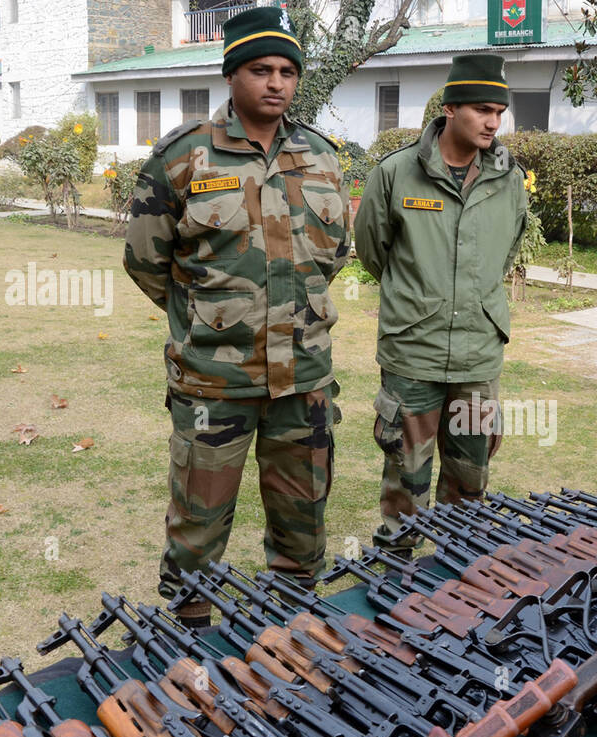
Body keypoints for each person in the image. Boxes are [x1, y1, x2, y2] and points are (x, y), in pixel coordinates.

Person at [123, 6, 349, 625]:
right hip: (213, 385)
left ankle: (292, 640)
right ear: (231, 75)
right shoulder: (183, 158)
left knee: (303, 532)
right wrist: (210, 321)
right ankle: (189, 646)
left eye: (286, 70)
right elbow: (146, 260)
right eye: (259, 69)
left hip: (303, 380)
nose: (275, 82)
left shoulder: (324, 159)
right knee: (197, 532)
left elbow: (333, 255)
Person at [354, 53, 529, 553]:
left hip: (477, 355)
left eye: (500, 110)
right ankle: (398, 582)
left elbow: (504, 251)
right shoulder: (395, 175)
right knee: (406, 483)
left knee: (470, 483)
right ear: (450, 109)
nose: (493, 121)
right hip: (413, 352)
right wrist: (421, 297)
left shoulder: (508, 179)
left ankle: (455, 586)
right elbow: (372, 251)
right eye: (481, 109)